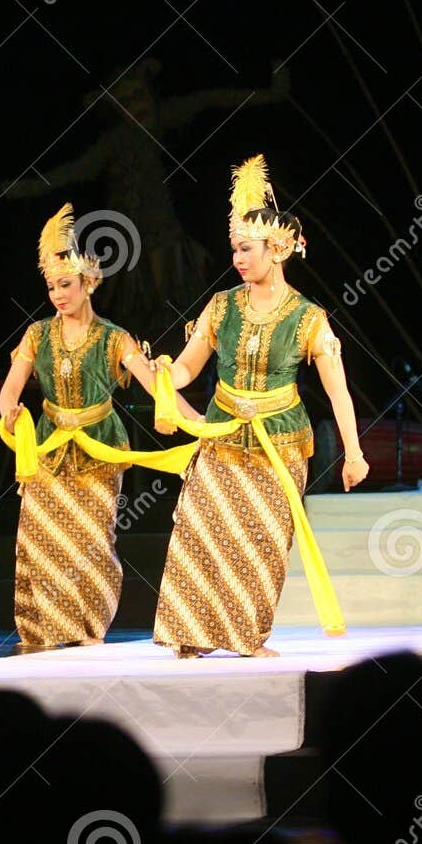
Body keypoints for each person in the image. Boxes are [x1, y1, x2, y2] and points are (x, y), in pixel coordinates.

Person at [151, 155, 368, 657]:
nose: (238, 260)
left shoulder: (309, 317)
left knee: (261, 543)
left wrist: (353, 454)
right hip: (223, 435)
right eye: (235, 250)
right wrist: (165, 373)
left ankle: (246, 636)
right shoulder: (221, 305)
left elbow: (338, 390)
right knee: (201, 532)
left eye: (246, 250)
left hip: (281, 442)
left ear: (278, 249)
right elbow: (187, 369)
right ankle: (191, 634)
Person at [0, 203, 159, 648]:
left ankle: (89, 627)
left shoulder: (113, 337)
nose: (57, 295)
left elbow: (151, 384)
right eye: (51, 287)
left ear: (89, 283)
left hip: (100, 445)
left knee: (90, 541)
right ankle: (47, 627)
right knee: (43, 538)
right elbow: (10, 389)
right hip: (48, 444)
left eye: (65, 285)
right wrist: (9, 409)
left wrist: (189, 417)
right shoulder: (36, 335)